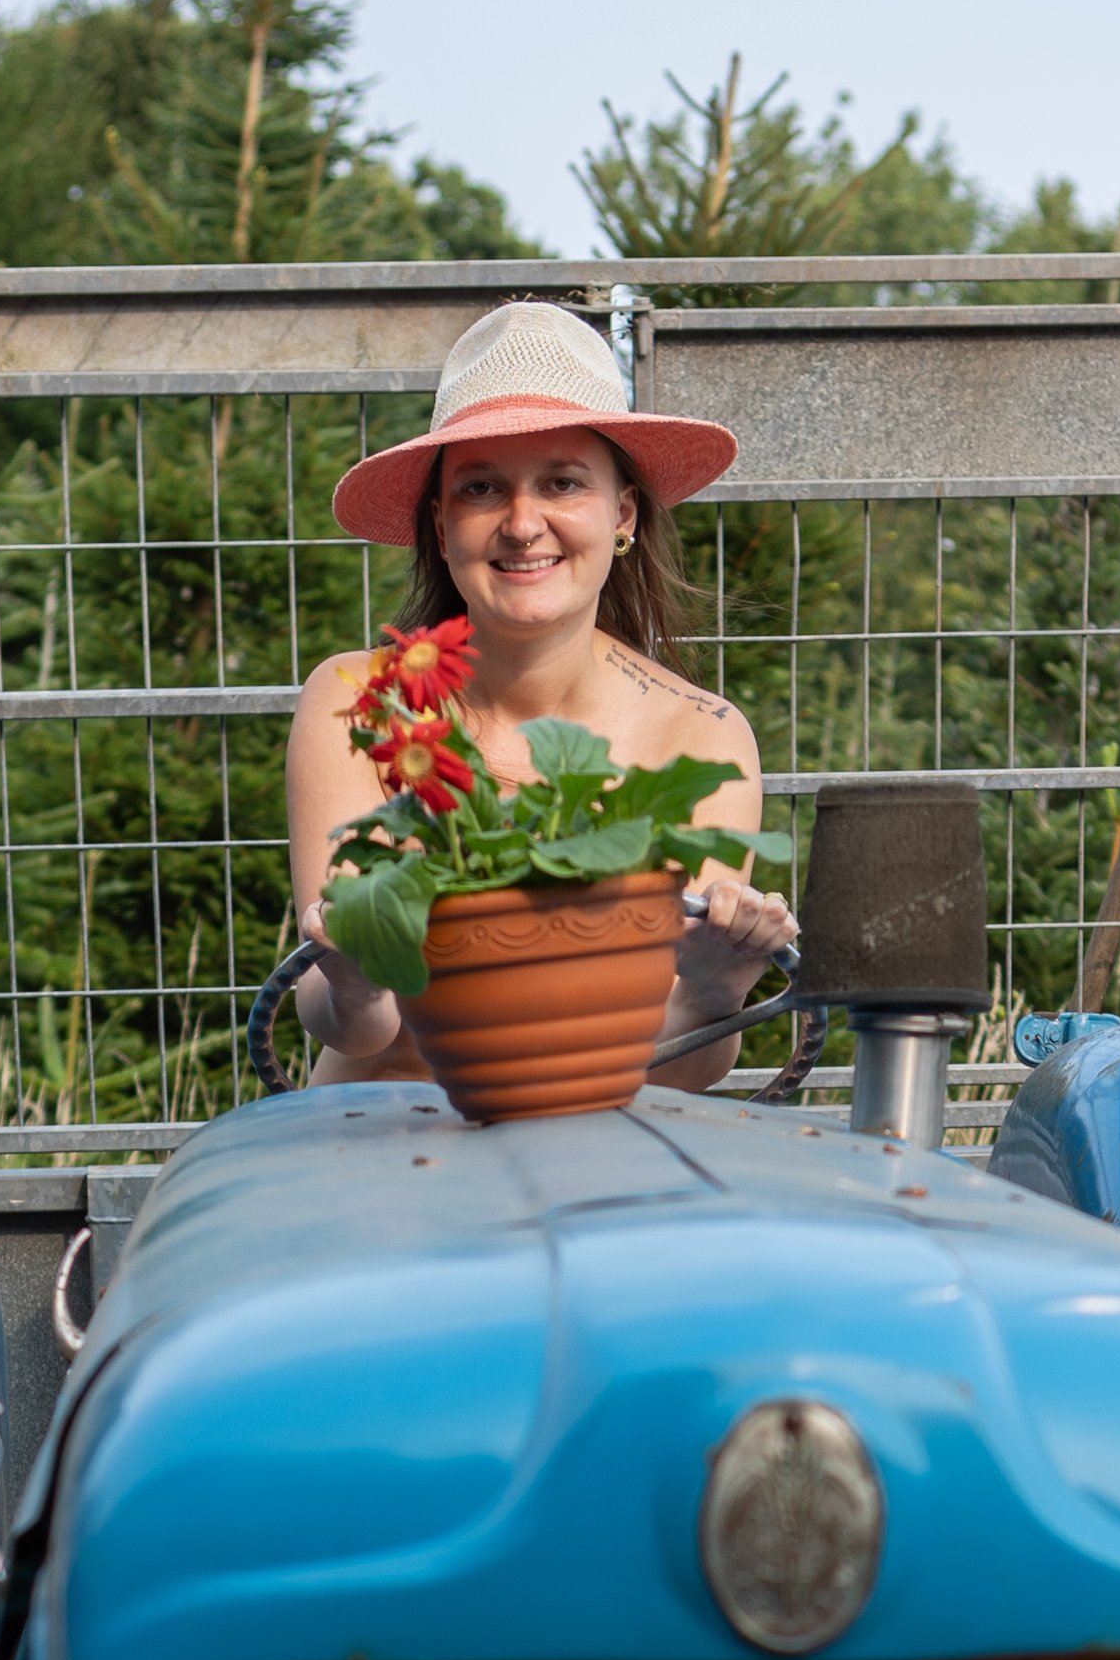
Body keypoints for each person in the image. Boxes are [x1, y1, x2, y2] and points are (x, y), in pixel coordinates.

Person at [282, 301, 798, 1095]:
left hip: (596, 1151)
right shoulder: (360, 699)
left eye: (562, 482)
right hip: (380, 1149)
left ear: (622, 513)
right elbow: (349, 1016)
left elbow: (677, 1070)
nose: (523, 524)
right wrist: (355, 977)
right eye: (483, 489)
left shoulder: (701, 735)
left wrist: (712, 991)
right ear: (441, 524)